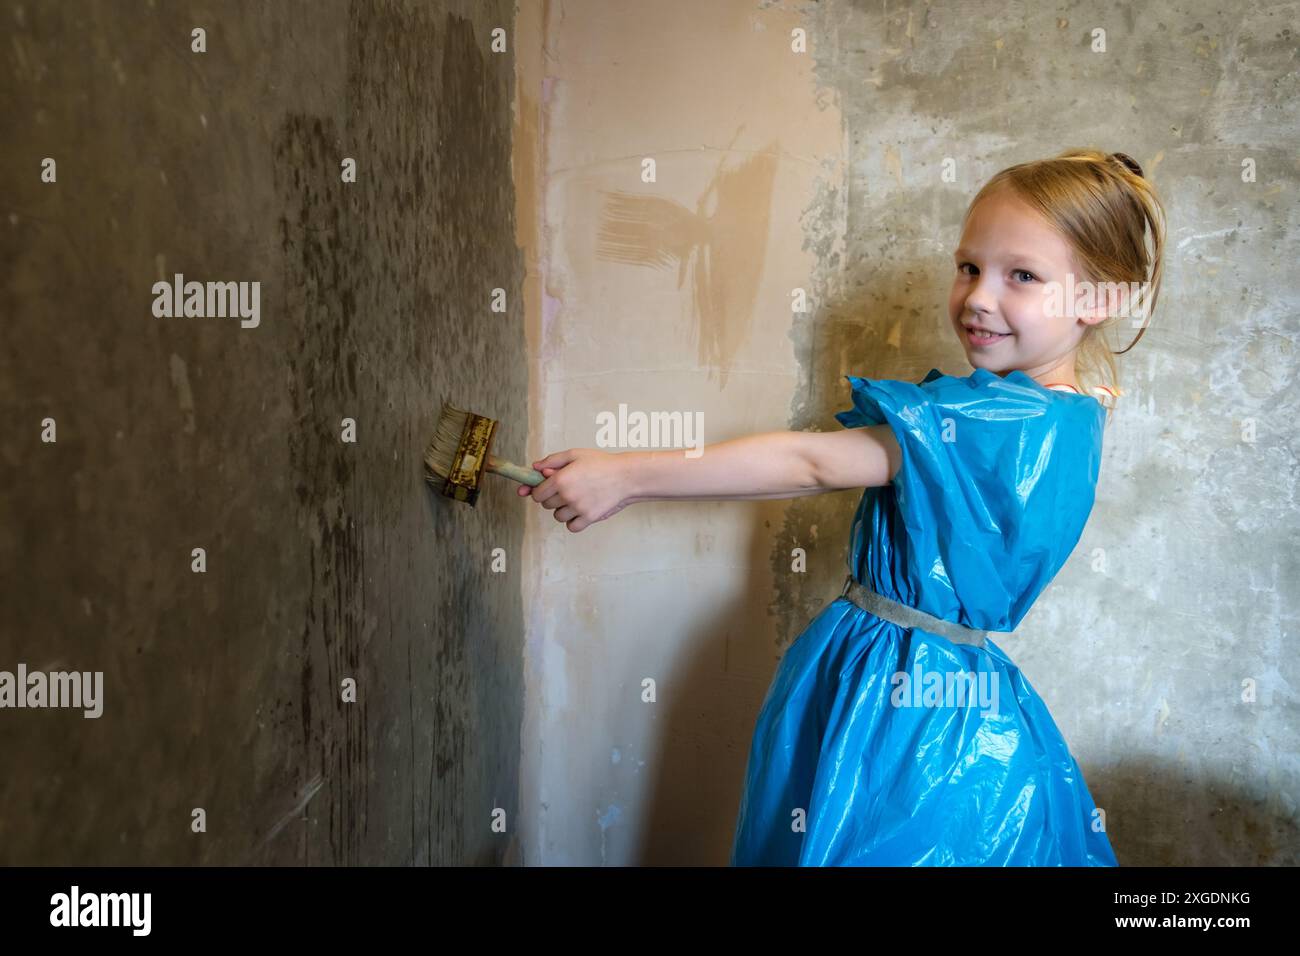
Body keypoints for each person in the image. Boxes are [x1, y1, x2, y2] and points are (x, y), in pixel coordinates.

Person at [518, 148, 1166, 865]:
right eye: (968, 266)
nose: (979, 297)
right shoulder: (1070, 419)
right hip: (928, 684)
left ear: (1100, 299)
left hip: (897, 704)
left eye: (1021, 276)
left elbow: (811, 462)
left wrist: (628, 475)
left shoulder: (1001, 419)